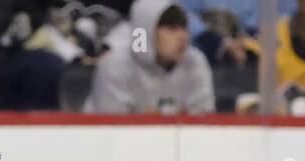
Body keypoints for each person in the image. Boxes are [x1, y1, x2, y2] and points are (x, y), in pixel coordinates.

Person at [84, 0, 215, 113]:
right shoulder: (115, 65)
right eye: (172, 28)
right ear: (147, 32)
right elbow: (111, 129)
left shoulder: (195, 61)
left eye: (184, 28)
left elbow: (204, 120)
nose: (183, 36)